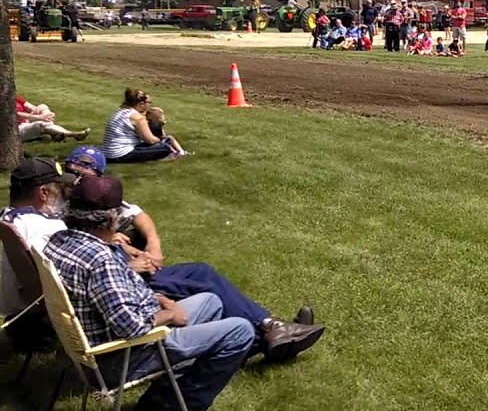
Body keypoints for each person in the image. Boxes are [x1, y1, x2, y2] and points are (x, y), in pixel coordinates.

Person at [1, 156, 325, 365]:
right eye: (59, 188)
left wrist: (130, 251)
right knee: (201, 274)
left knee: (207, 292)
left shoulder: (14, 221)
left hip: (71, 307)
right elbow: (81, 278)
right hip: (103, 313)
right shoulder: (44, 228)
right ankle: (269, 330)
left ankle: (272, 333)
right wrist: (130, 269)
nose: (63, 193)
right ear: (43, 192)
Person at [42, 173, 254, 411]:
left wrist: (156, 298)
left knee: (211, 302)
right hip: (121, 357)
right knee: (240, 331)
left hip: (98, 348)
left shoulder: (59, 241)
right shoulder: (100, 260)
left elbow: (106, 296)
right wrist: (169, 315)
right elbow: (130, 327)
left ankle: (162, 399)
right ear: (110, 219)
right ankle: (176, 405)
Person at [101, 88, 187, 163]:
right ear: (142, 103)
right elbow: (151, 141)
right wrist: (160, 139)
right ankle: (176, 155)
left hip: (108, 154)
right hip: (121, 155)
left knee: (164, 142)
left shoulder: (120, 111)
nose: (150, 105)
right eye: (149, 102)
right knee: (165, 146)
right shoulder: (138, 118)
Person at [15, 94, 90, 142]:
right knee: (40, 124)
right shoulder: (3, 102)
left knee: (42, 106)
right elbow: (14, 115)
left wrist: (47, 114)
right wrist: (40, 117)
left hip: (25, 120)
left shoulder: (13, 96)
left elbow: (31, 107)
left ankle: (55, 131)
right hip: (16, 128)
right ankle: (70, 134)